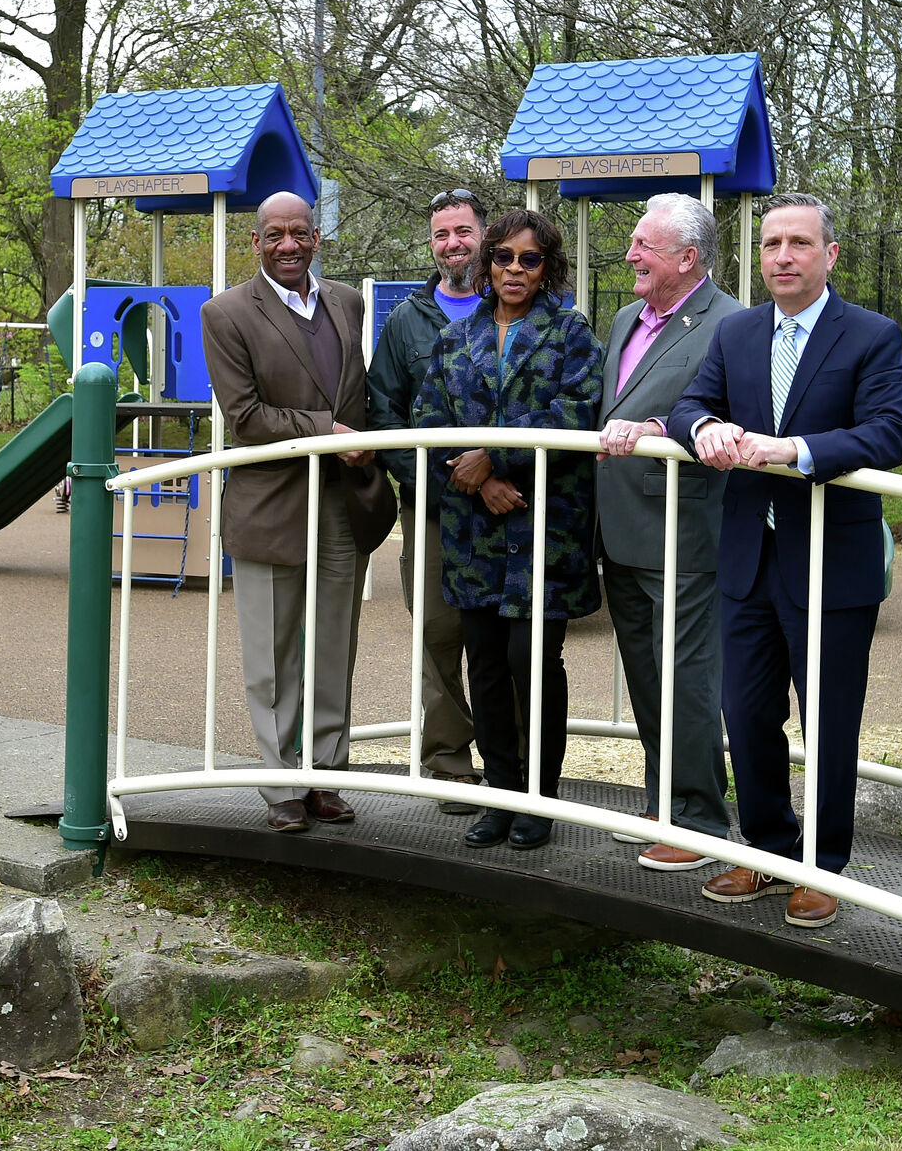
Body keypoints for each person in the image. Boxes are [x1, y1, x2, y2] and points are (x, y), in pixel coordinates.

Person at [666, 192, 902, 927]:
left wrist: (794, 451)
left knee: (829, 721)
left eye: (799, 243)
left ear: (829, 255)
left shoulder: (870, 335)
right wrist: (704, 429)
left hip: (832, 561)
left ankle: (823, 866)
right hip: (749, 555)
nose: (782, 256)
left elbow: (889, 432)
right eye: (771, 243)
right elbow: (688, 407)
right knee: (745, 713)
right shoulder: (737, 332)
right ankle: (769, 849)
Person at [202, 191, 400, 833]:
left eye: (300, 233)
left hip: (343, 502)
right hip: (272, 507)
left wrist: (365, 447)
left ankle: (326, 774)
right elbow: (245, 417)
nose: (288, 245)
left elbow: (358, 392)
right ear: (256, 242)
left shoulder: (346, 301)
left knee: (334, 645)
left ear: (316, 237)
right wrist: (329, 432)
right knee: (272, 655)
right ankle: (281, 782)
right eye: (275, 235)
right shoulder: (226, 313)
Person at [413, 207, 604, 851]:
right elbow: (428, 421)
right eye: (503, 257)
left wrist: (497, 458)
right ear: (486, 263)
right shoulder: (453, 339)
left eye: (529, 259)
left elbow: (577, 411)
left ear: (548, 268)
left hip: (545, 527)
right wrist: (479, 479)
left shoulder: (571, 332)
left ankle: (539, 799)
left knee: (534, 663)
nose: (514, 270)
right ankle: (499, 794)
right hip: (474, 531)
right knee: (487, 665)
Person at [593, 194, 743, 871]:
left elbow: (725, 414)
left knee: (687, 680)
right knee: (648, 679)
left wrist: (657, 429)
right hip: (621, 528)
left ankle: (699, 820)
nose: (630, 254)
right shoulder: (626, 318)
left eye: (643, 246)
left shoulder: (731, 324)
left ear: (687, 257)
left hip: (684, 530)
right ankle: (663, 804)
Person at [366, 188, 487, 813]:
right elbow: (382, 409)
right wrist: (434, 483)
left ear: (484, 236)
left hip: (510, 506)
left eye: (463, 231)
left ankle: (513, 762)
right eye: (442, 234)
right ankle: (448, 761)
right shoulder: (406, 321)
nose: (452, 244)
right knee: (438, 633)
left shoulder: (515, 303)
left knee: (506, 633)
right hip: (434, 508)